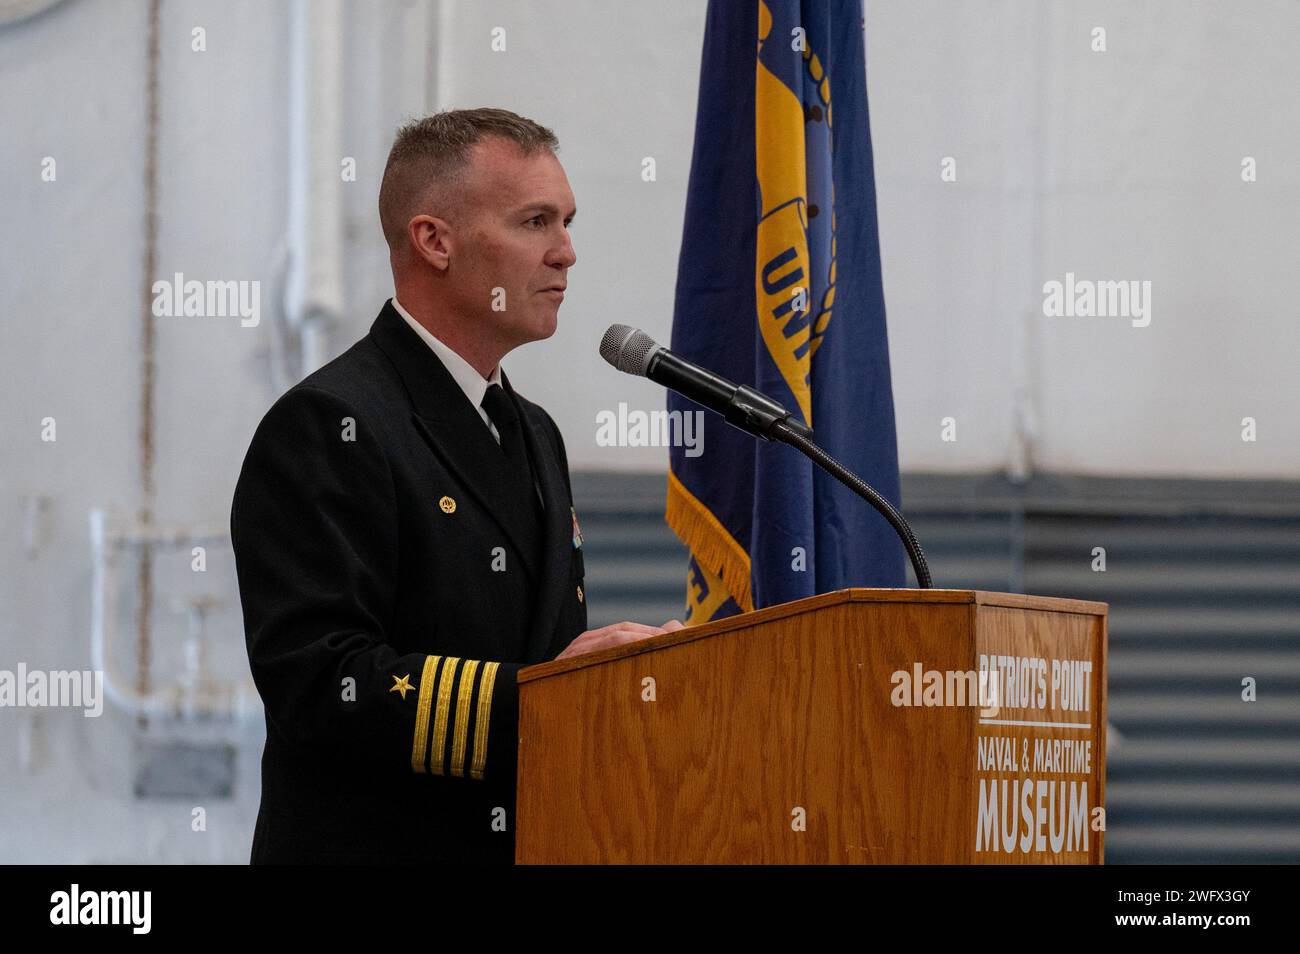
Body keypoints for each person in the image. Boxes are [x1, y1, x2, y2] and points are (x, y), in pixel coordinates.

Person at [230, 108, 682, 864]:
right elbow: (321, 682)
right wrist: (543, 697)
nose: (566, 252)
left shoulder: (533, 432)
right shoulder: (331, 424)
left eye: (567, 221)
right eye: (535, 221)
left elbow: (545, 645)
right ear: (434, 241)